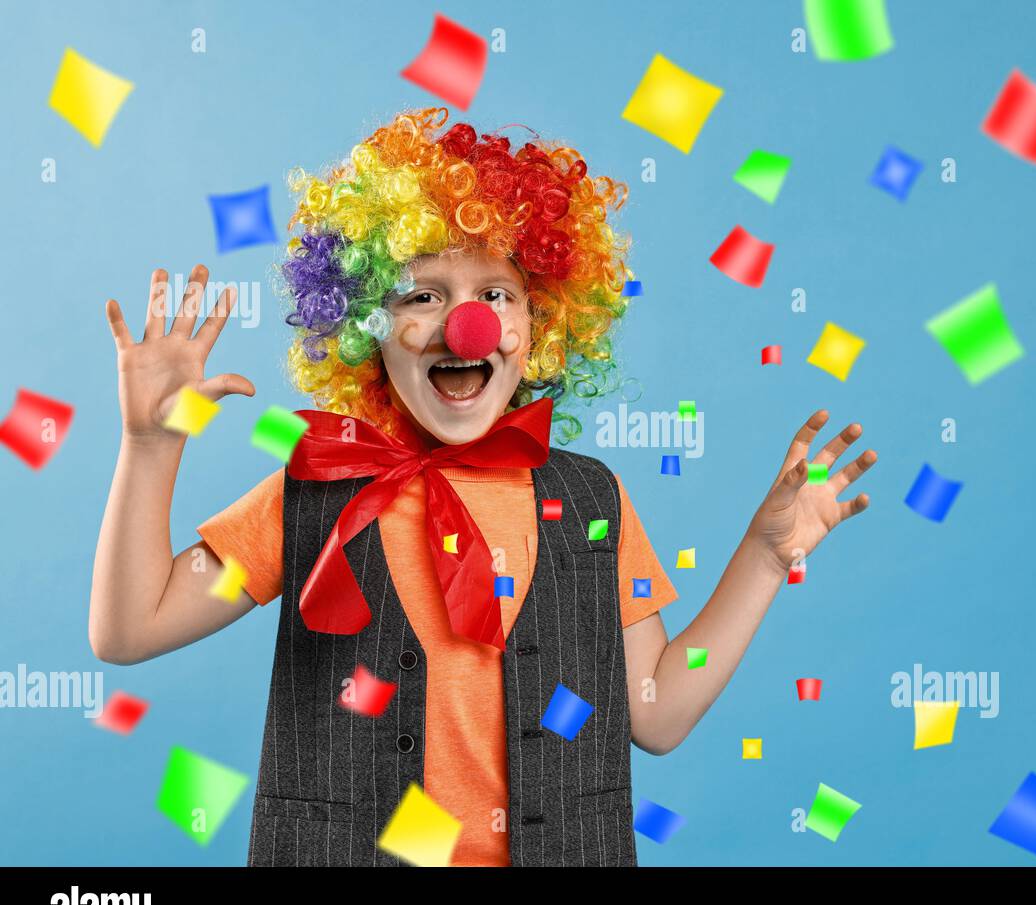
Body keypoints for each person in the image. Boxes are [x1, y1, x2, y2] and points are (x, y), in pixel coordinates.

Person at [89, 106, 877, 866]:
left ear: (540, 325)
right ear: (364, 324)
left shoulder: (594, 503)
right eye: (423, 295)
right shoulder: (317, 490)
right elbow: (127, 631)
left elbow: (659, 710)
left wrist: (764, 560)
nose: (464, 326)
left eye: (495, 295)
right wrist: (149, 446)